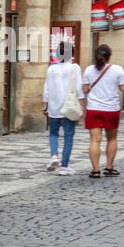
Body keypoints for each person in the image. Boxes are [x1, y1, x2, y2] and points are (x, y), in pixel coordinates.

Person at [81, 44, 124, 178]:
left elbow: (84, 90)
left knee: (94, 140)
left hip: (93, 109)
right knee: (112, 139)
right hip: (111, 109)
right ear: (109, 56)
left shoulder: (89, 70)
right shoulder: (117, 70)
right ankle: (109, 167)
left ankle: (95, 170)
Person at [41, 42, 83, 175]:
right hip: (68, 106)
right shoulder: (74, 67)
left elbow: (46, 87)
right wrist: (82, 102)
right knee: (68, 135)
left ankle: (54, 156)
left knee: (53, 133)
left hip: (54, 106)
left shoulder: (51, 69)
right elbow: (78, 86)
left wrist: (45, 103)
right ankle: (64, 166)